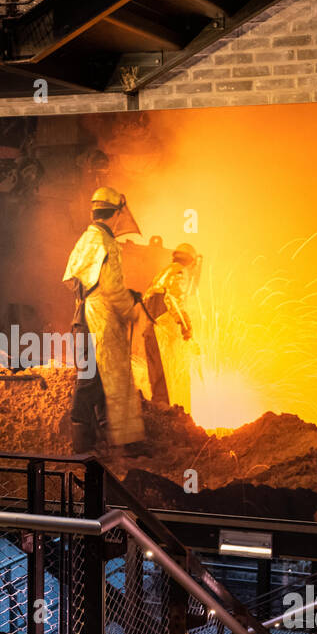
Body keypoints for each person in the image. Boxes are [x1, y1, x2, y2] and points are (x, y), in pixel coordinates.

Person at [62, 187, 147, 453]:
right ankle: (86, 446)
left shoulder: (86, 238)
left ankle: (97, 441)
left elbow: (74, 280)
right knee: (105, 377)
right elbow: (111, 286)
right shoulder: (107, 243)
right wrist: (130, 307)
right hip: (99, 319)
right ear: (117, 214)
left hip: (83, 317)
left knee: (95, 377)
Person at [144, 243, 199, 415]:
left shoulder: (163, 274)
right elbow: (173, 301)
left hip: (151, 331)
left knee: (158, 381)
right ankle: (168, 423)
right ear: (190, 261)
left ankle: (160, 423)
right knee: (167, 381)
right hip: (163, 333)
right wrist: (186, 327)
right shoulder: (178, 273)